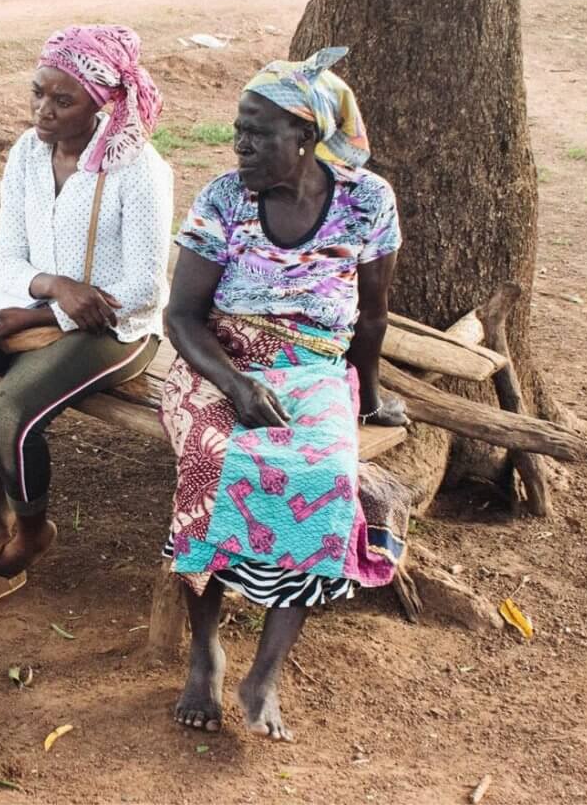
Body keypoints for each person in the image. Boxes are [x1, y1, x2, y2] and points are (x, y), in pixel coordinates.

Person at [159, 47, 408, 742]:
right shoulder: (223, 198)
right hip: (220, 356)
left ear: (305, 137)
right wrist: (234, 386)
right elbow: (180, 317)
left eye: (256, 132)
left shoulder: (367, 201)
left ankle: (264, 672)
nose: (238, 144)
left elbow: (373, 314)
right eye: (238, 129)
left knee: (325, 476)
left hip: (315, 366)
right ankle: (204, 651)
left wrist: (366, 397)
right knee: (210, 462)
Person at [0, 25, 173, 609]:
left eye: (62, 100)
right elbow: (7, 257)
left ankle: (33, 529)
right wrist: (53, 289)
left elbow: (145, 285)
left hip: (117, 327)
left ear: (104, 102)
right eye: (38, 93)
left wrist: (55, 314)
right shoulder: (27, 152)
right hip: (32, 306)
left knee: (11, 411)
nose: (43, 111)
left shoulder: (140, 170)